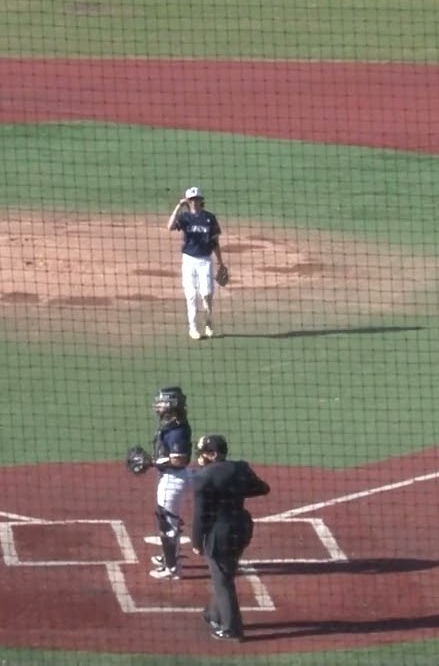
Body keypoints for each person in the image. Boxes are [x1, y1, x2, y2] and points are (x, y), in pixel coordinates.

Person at [190, 434, 270, 641]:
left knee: (223, 582)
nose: (200, 457)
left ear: (213, 454)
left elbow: (200, 516)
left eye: (203, 453)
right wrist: (234, 491)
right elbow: (262, 488)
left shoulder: (203, 478)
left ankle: (231, 629)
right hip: (241, 528)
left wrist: (197, 543)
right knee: (226, 574)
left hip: (220, 535)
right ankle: (213, 614)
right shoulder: (240, 468)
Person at [166, 186, 225, 340]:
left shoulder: (209, 218)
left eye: (197, 199)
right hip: (189, 260)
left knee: (207, 293)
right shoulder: (185, 218)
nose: (194, 202)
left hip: (205, 260)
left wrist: (220, 262)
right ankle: (193, 328)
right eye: (191, 200)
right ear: (188, 201)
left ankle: (209, 323)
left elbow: (215, 242)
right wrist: (179, 206)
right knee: (191, 294)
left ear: (201, 200)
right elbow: (170, 226)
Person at [147, 386, 193, 580]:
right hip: (169, 476)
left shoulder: (177, 430)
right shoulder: (171, 423)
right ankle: (169, 556)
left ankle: (172, 569)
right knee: (166, 520)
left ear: (171, 404)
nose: (158, 405)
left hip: (173, 479)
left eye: (162, 402)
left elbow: (180, 460)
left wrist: (152, 463)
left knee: (167, 523)